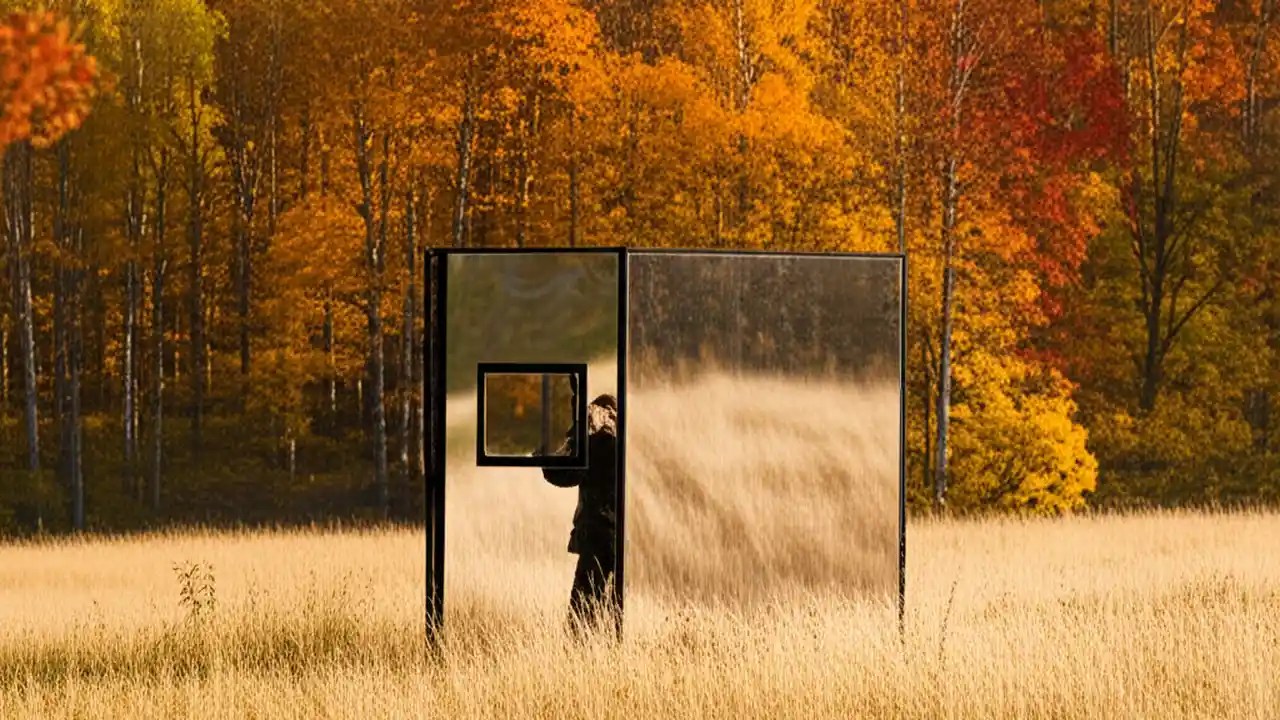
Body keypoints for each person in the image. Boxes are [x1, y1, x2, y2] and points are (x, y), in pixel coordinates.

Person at [541, 391, 619, 634]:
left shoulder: (598, 442)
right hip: (615, 536)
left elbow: (564, 475)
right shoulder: (617, 441)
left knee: (581, 619)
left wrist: (544, 453)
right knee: (611, 614)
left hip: (598, 537)